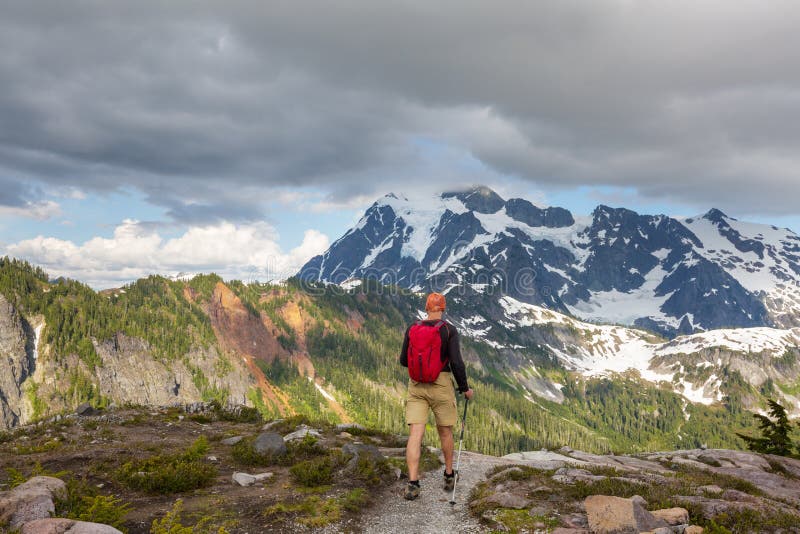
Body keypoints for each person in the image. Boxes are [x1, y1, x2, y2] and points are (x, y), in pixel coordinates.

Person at [399, 292, 474, 501]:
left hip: (416, 385)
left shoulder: (413, 328)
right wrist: (465, 388)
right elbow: (457, 363)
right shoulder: (449, 330)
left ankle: (413, 484)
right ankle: (449, 475)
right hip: (441, 384)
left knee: (415, 434)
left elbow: (404, 360)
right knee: (445, 432)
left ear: (426, 307)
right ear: (443, 308)